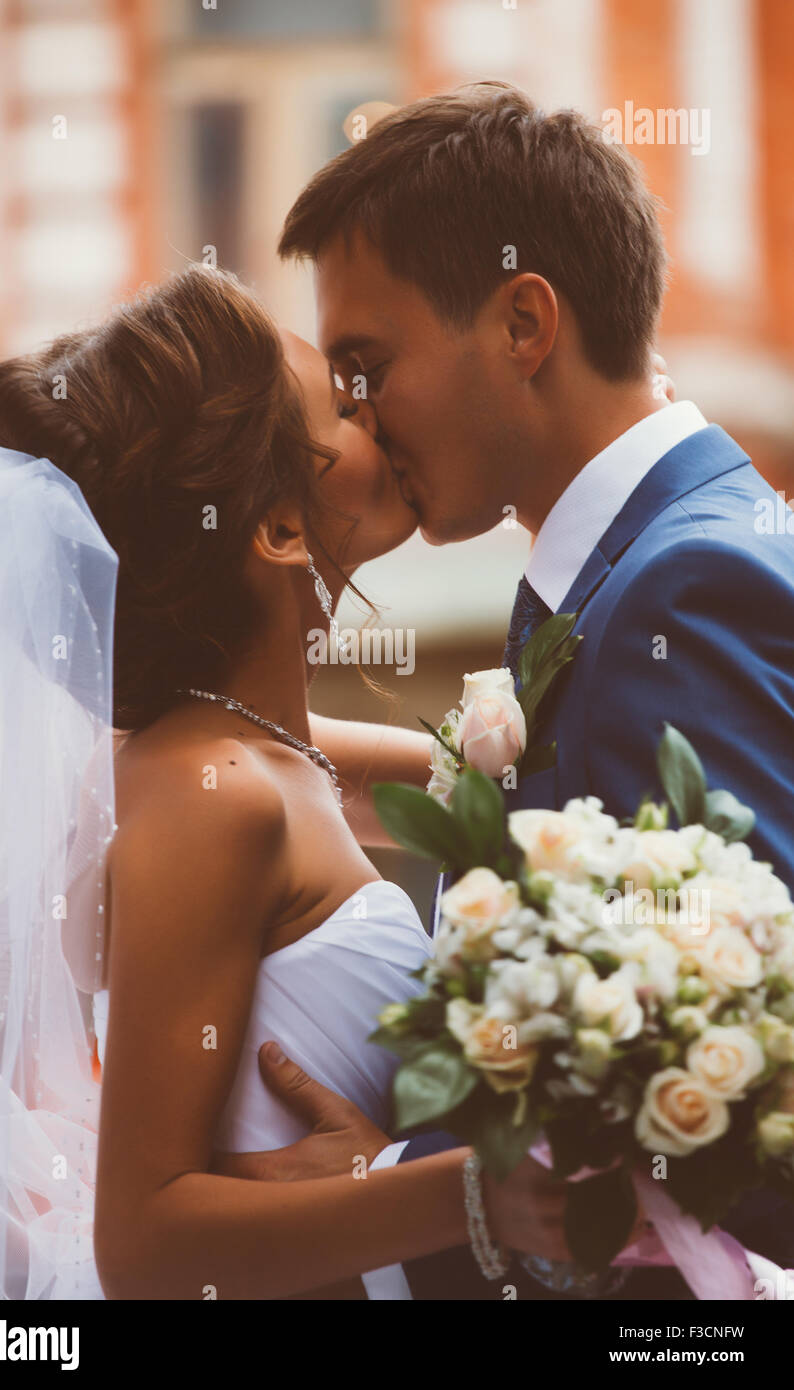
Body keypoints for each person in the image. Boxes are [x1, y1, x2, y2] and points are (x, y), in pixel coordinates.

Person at [236, 79, 794, 1300]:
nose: (357, 422)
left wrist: (399, 1186)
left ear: (523, 323)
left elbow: (751, 1078)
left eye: (366, 366)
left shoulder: (677, 590)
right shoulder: (639, 562)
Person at [0, 262, 591, 1301]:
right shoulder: (217, 793)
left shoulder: (262, 754)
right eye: (343, 405)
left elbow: (495, 789)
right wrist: (464, 1190)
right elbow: (145, 1249)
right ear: (281, 531)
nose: (374, 409)